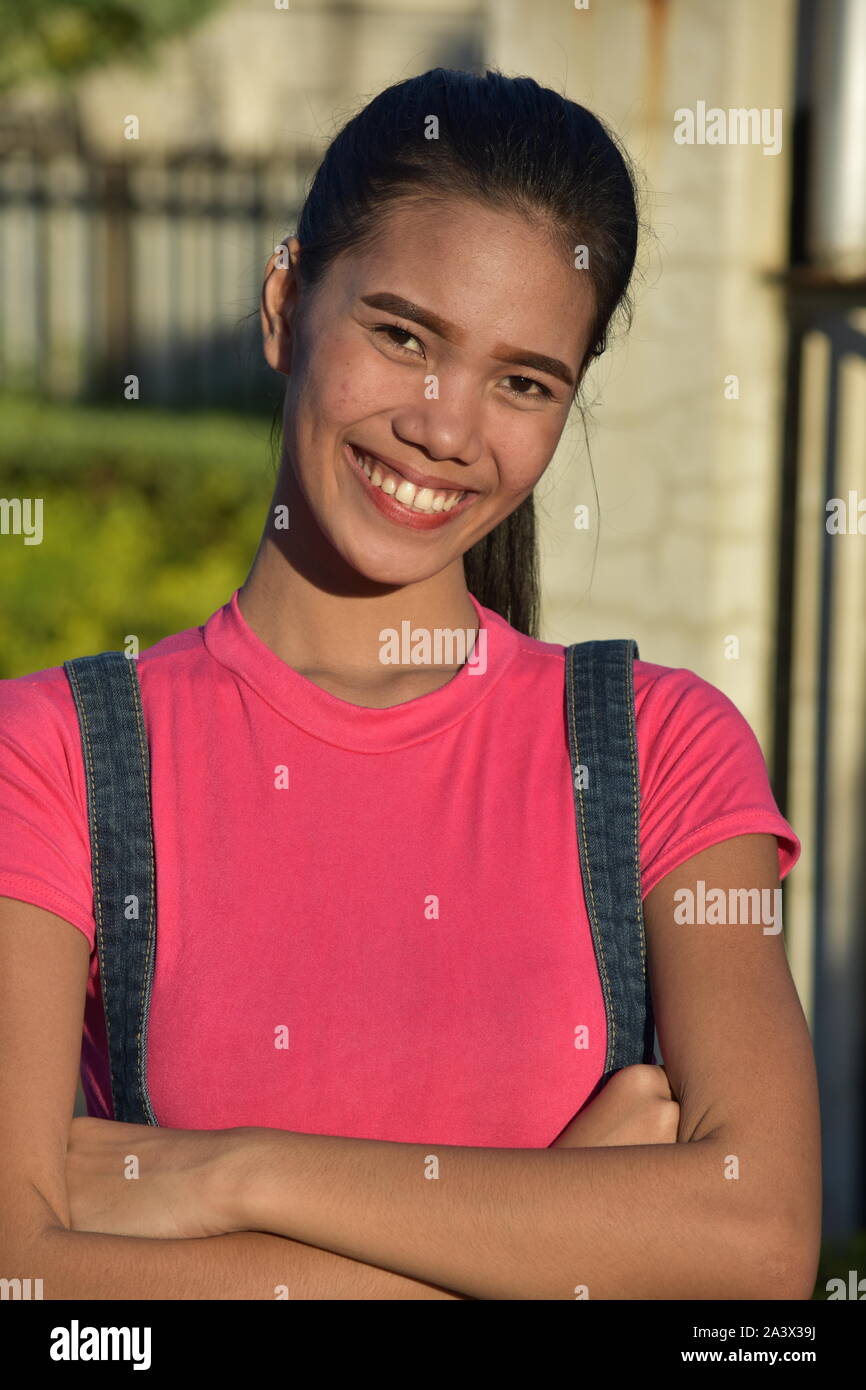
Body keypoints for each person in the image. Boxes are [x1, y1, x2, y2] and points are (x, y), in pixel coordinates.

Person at [0, 68, 820, 1300]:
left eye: (523, 381)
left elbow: (756, 1243)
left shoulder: (663, 750)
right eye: (402, 336)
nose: (447, 427)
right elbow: (22, 1278)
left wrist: (235, 1175)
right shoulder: (56, 752)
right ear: (285, 303)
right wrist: (557, 1236)